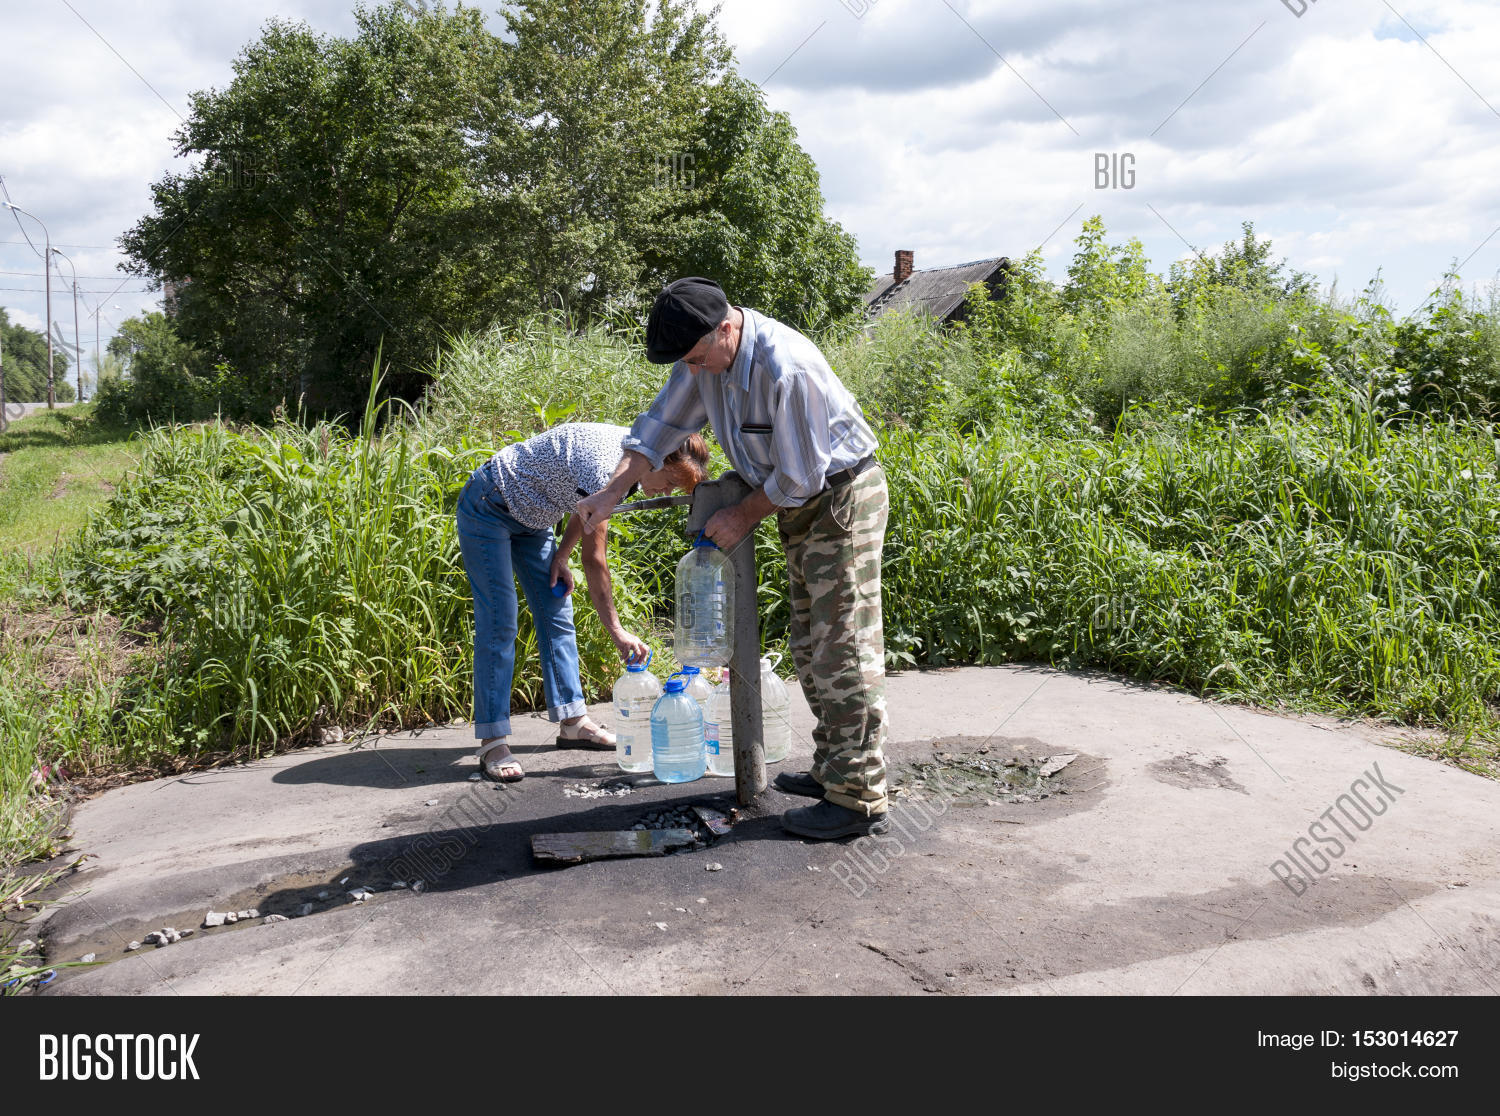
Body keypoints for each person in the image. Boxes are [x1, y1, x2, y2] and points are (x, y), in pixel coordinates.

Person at [577, 277, 891, 839]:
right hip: (796, 503)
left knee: (842, 648)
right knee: (808, 645)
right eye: (687, 363)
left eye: (697, 359)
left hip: (840, 499)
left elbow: (801, 475)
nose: (693, 371)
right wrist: (611, 492)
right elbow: (657, 429)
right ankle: (834, 770)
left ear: (726, 327)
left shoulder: (787, 368)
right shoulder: (702, 356)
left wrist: (743, 514)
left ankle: (859, 799)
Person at [457, 422, 709, 782]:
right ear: (655, 461)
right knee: (500, 620)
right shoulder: (608, 467)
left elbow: (585, 507)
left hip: (534, 519)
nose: (666, 491)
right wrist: (617, 631)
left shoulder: (635, 460)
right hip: (489, 503)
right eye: (669, 481)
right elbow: (594, 560)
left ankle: (573, 722)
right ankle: (492, 741)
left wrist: (561, 555)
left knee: (556, 611)